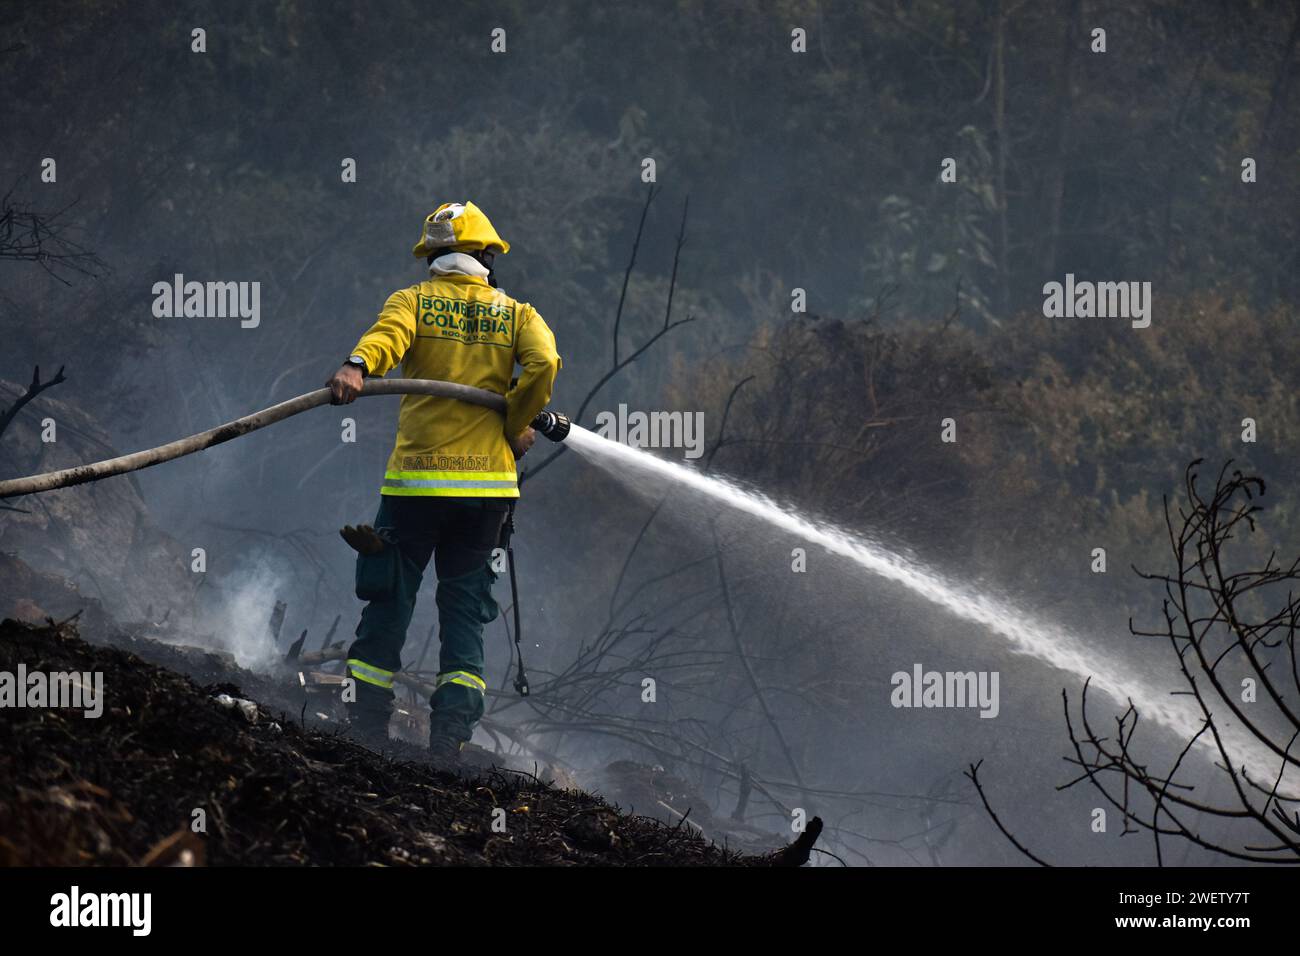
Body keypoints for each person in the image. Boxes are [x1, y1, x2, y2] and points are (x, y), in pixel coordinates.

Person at [325, 200, 560, 766]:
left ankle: (366, 731)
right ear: (484, 255)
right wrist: (516, 421)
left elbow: (387, 338)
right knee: (465, 611)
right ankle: (448, 741)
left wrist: (357, 366)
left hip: (416, 489)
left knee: (390, 598)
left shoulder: (414, 301)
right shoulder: (516, 313)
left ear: (432, 257)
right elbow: (545, 364)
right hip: (485, 497)